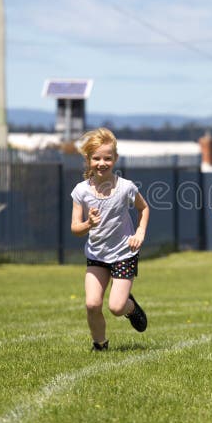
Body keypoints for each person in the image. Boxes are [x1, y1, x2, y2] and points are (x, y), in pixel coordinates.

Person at [71, 128, 149, 351]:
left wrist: (140, 233)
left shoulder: (126, 187)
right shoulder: (81, 191)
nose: (102, 163)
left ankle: (131, 307)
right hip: (97, 255)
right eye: (96, 158)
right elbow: (75, 228)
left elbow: (144, 209)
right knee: (92, 304)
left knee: (116, 307)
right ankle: (100, 345)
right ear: (88, 159)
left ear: (115, 158)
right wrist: (88, 224)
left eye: (107, 158)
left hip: (124, 253)